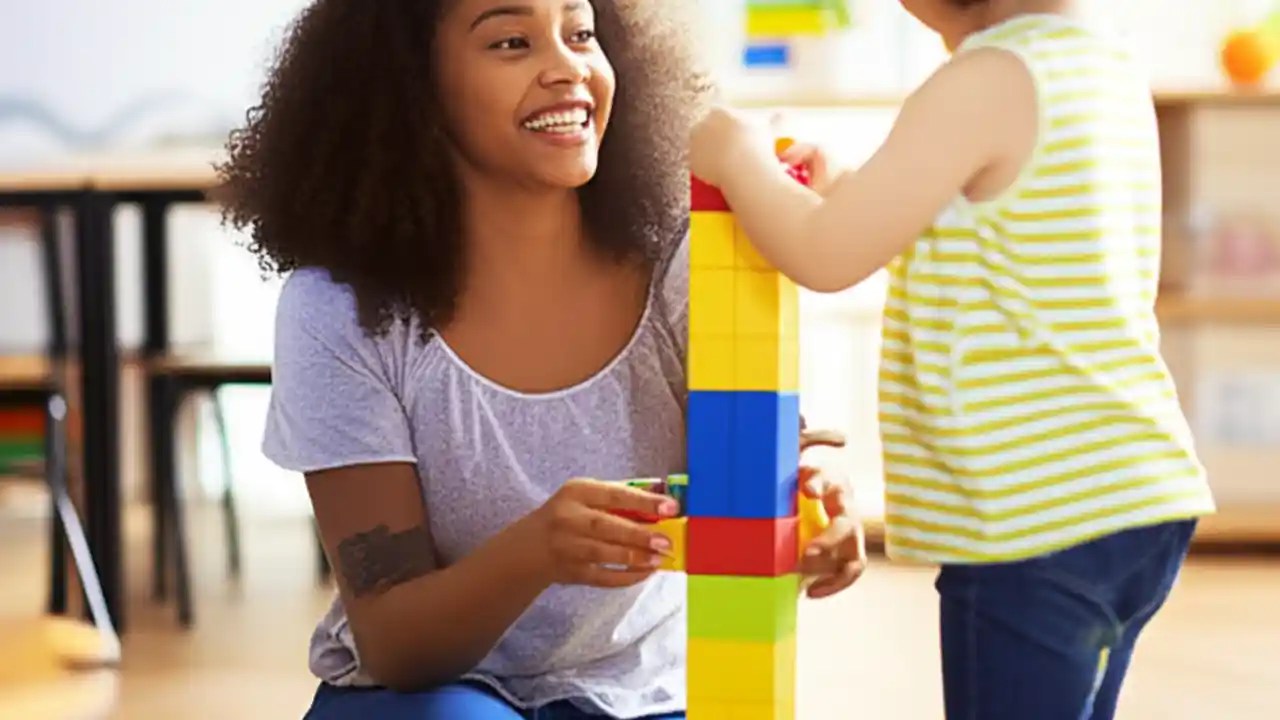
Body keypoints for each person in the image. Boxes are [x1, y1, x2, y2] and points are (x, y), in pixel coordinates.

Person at [216, 1, 867, 718]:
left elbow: (737, 481)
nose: (567, 67)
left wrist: (802, 502)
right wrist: (535, 553)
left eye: (580, 33)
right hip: (436, 693)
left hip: (642, 690)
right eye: (511, 42)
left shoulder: (685, 262)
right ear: (410, 85)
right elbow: (396, 645)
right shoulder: (338, 311)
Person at [689, 1, 1217, 718]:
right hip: (1129, 494)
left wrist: (735, 155)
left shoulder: (984, 78)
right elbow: (988, 255)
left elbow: (824, 252)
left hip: (1036, 515)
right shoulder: (1098, 62)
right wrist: (847, 187)